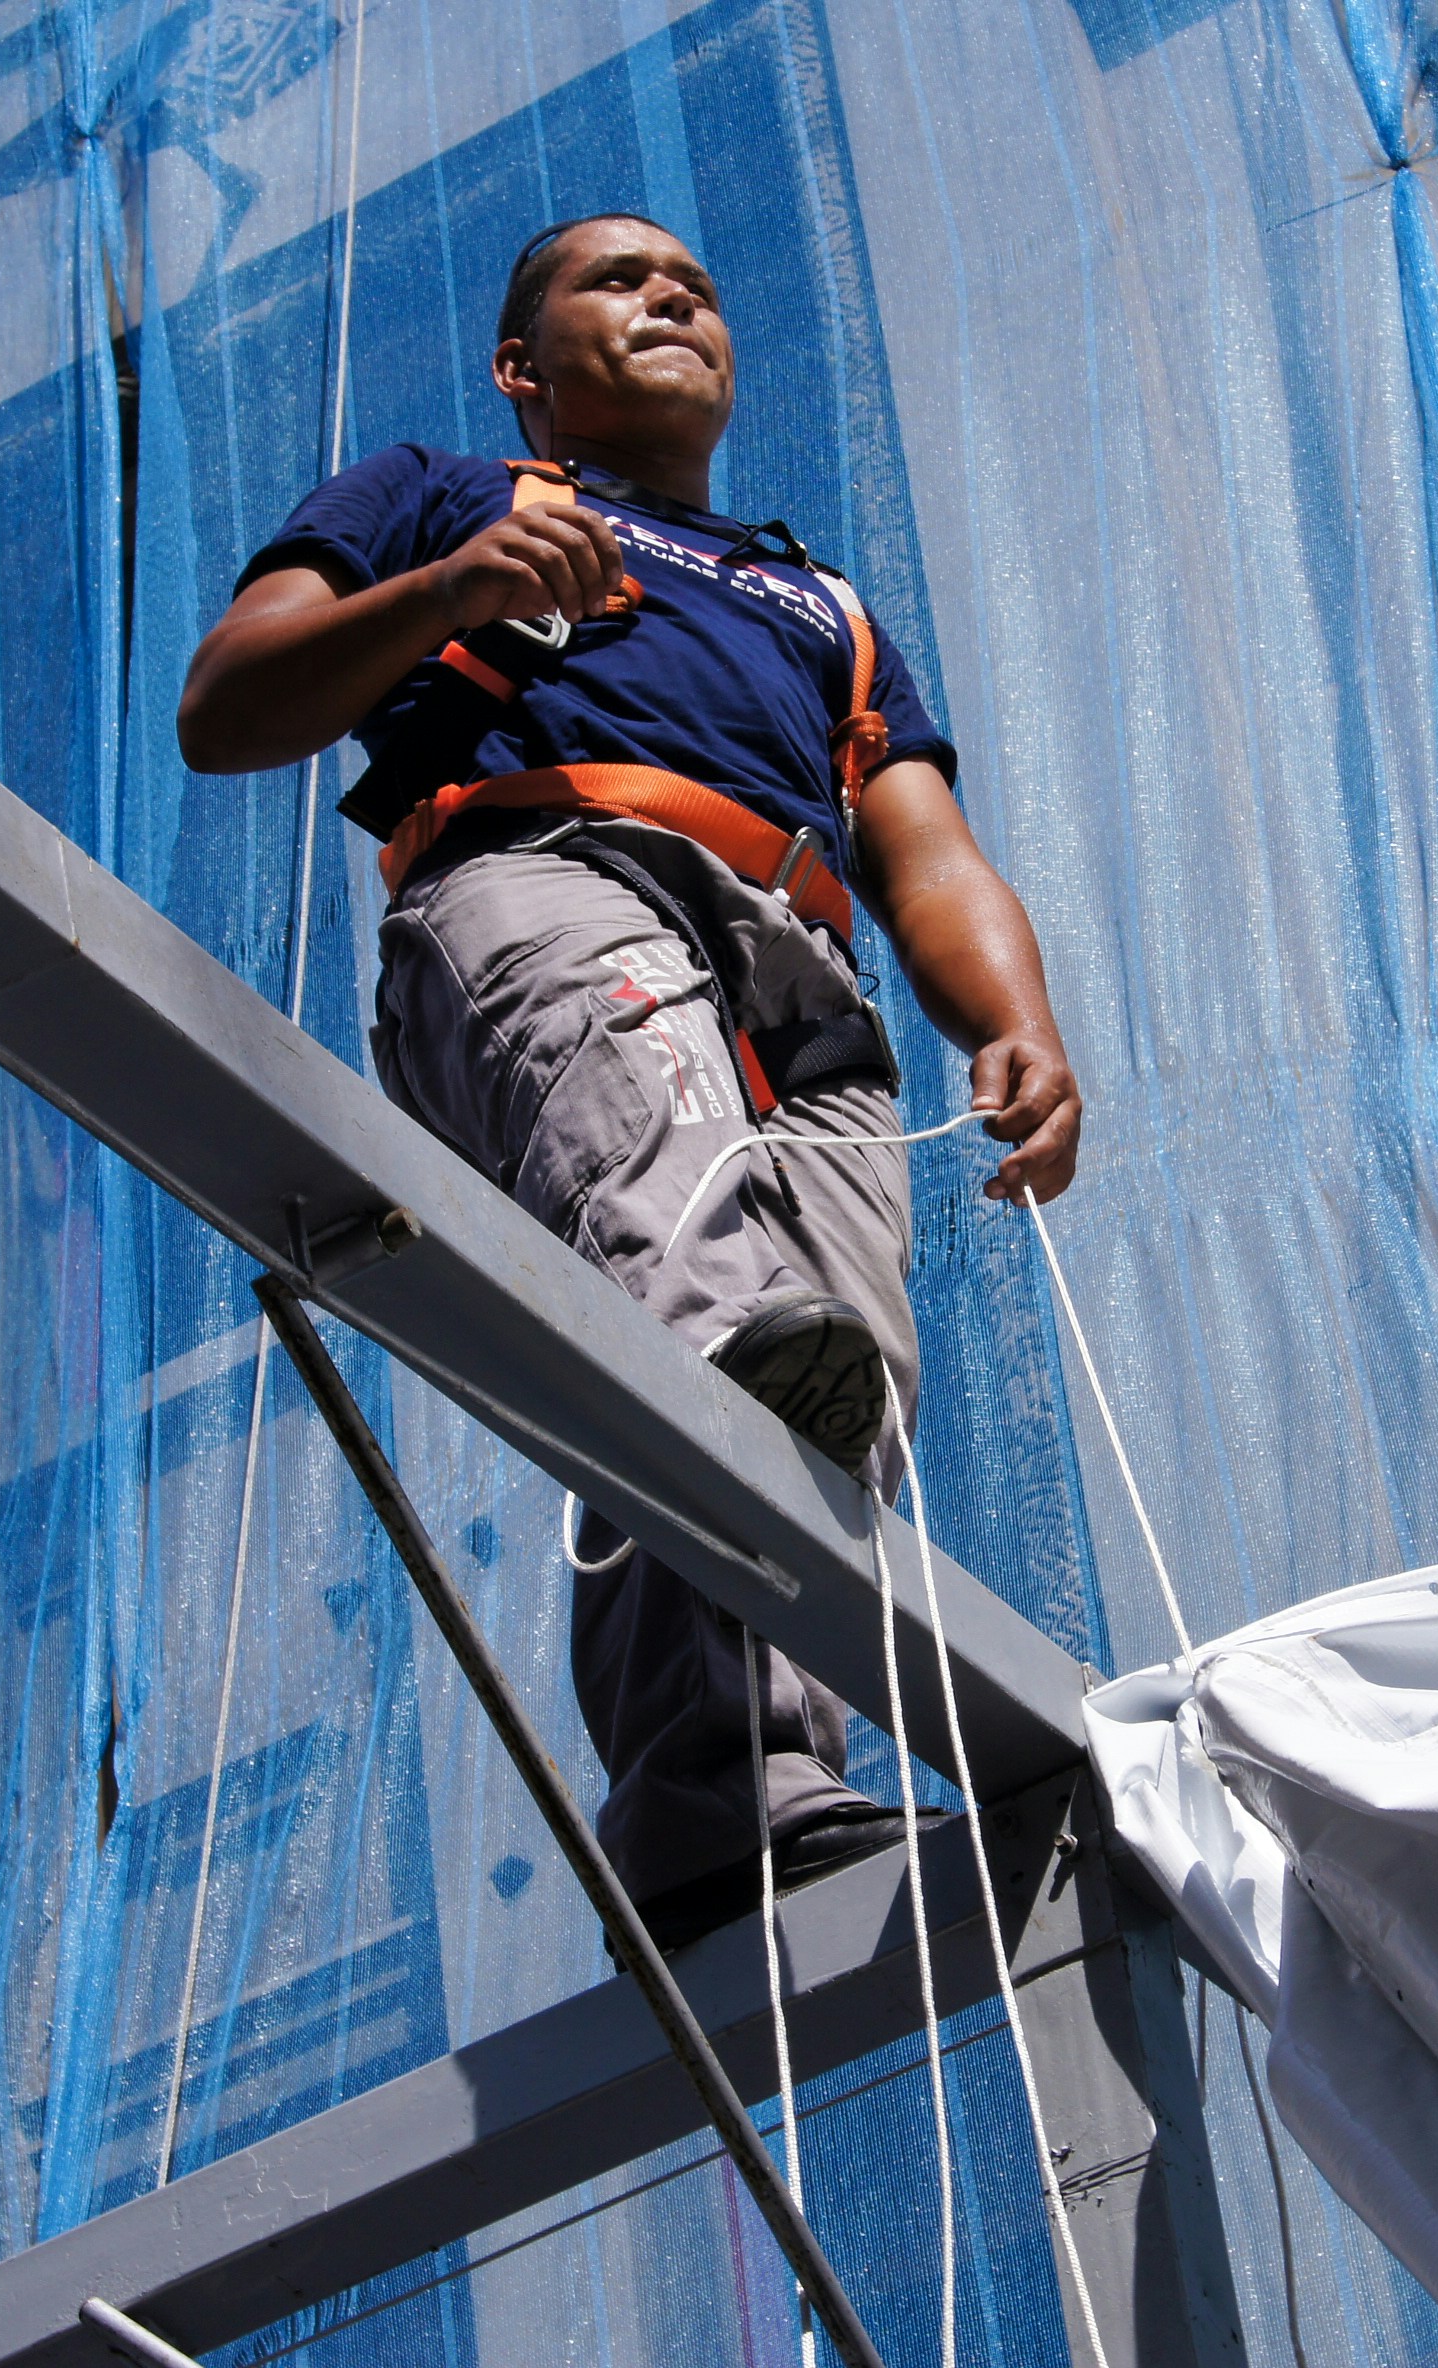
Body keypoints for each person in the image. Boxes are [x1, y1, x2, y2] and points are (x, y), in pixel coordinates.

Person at [178, 214, 1082, 1948]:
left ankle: (718, 1810)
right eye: (620, 281)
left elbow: (925, 846)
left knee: (839, 1377)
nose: (675, 294)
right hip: (551, 874)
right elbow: (227, 708)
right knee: (693, 1260)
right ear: (527, 371)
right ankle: (717, 1781)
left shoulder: (824, 604)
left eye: (701, 282)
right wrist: (456, 589)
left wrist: (1012, 1017)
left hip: (799, 976)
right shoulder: (439, 492)